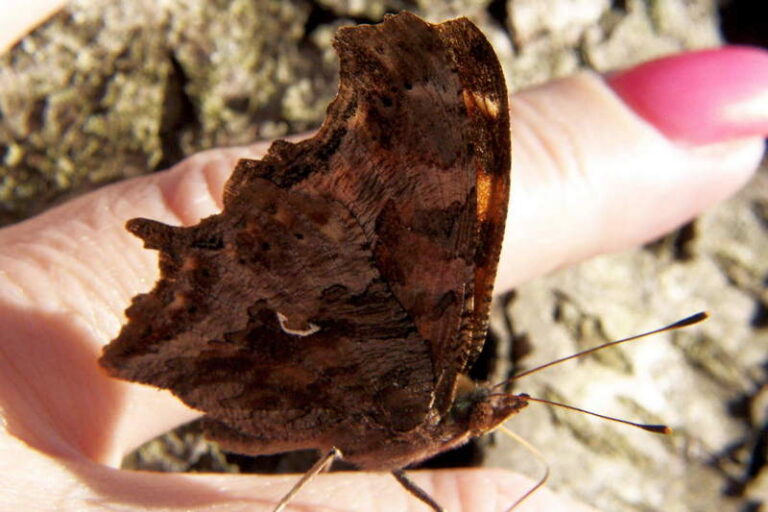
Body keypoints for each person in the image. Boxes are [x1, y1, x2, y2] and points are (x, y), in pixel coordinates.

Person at [0, 5, 767, 511]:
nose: (498, 410)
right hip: (238, 332)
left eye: (493, 413)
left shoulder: (422, 399)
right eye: (491, 411)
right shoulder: (416, 387)